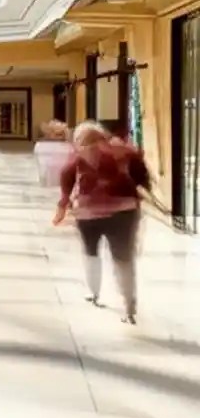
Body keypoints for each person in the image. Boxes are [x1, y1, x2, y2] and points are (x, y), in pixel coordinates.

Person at [54, 120, 150, 323]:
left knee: (91, 252)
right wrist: (140, 191)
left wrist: (62, 207)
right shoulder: (123, 151)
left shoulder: (78, 155)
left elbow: (66, 177)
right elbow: (141, 175)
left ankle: (94, 293)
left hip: (88, 213)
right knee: (123, 258)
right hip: (124, 212)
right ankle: (128, 306)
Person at [35, 119, 74, 187]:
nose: (60, 136)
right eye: (57, 134)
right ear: (49, 134)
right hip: (50, 173)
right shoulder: (41, 146)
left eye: (62, 133)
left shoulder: (69, 146)